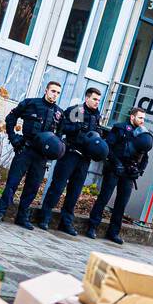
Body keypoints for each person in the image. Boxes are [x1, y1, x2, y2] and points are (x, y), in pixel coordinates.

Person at [0, 80, 64, 228]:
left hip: (41, 157)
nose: (54, 94)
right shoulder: (31, 103)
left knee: (32, 187)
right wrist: (13, 138)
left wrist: (53, 153)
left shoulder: (59, 113)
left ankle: (22, 217)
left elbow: (60, 135)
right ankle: (0, 212)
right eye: (52, 91)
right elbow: (10, 118)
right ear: (46, 90)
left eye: (57, 92)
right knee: (12, 183)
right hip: (25, 150)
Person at [34, 86, 104, 236]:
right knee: (57, 187)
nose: (97, 102)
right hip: (70, 154)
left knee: (75, 191)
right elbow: (63, 127)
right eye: (94, 99)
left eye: (99, 100)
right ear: (87, 98)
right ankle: (44, 217)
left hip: (84, 158)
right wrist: (77, 128)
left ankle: (66, 222)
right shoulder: (78, 110)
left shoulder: (97, 116)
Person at [87, 107, 151, 244]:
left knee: (121, 204)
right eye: (140, 118)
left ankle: (114, 232)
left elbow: (145, 157)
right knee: (104, 197)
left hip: (128, 173)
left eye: (144, 119)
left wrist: (138, 171)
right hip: (114, 168)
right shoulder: (119, 128)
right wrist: (116, 163)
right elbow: (107, 148)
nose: (142, 121)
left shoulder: (143, 134)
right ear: (132, 117)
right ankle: (92, 227)